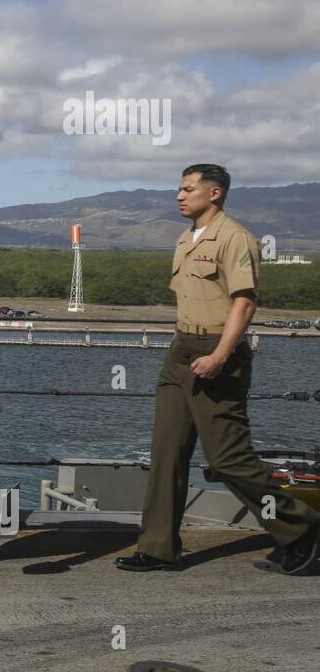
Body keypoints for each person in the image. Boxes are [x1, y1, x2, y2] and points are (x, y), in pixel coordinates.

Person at [117, 164, 320, 574]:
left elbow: (244, 303)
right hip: (180, 351)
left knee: (226, 457)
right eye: (179, 188)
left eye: (188, 189)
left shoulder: (235, 238)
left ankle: (302, 528)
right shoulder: (185, 238)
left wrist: (221, 355)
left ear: (214, 194)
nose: (179, 195)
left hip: (216, 352)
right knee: (167, 453)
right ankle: (158, 548)